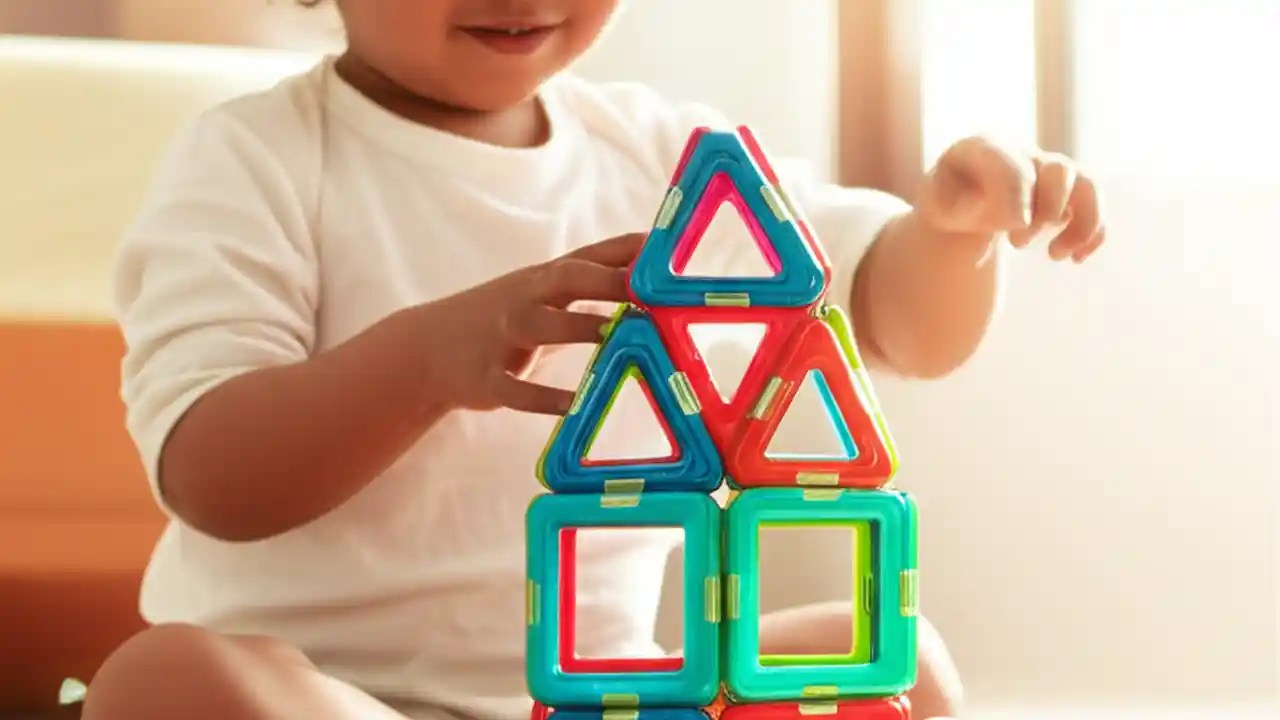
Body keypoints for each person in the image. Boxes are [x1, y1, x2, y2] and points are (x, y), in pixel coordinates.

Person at [82, 1, 1105, 719]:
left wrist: (953, 234)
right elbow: (213, 474)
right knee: (160, 686)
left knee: (902, 664)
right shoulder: (254, 159)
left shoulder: (660, 155)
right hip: (335, 693)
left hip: (613, 694)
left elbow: (890, 321)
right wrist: (423, 363)